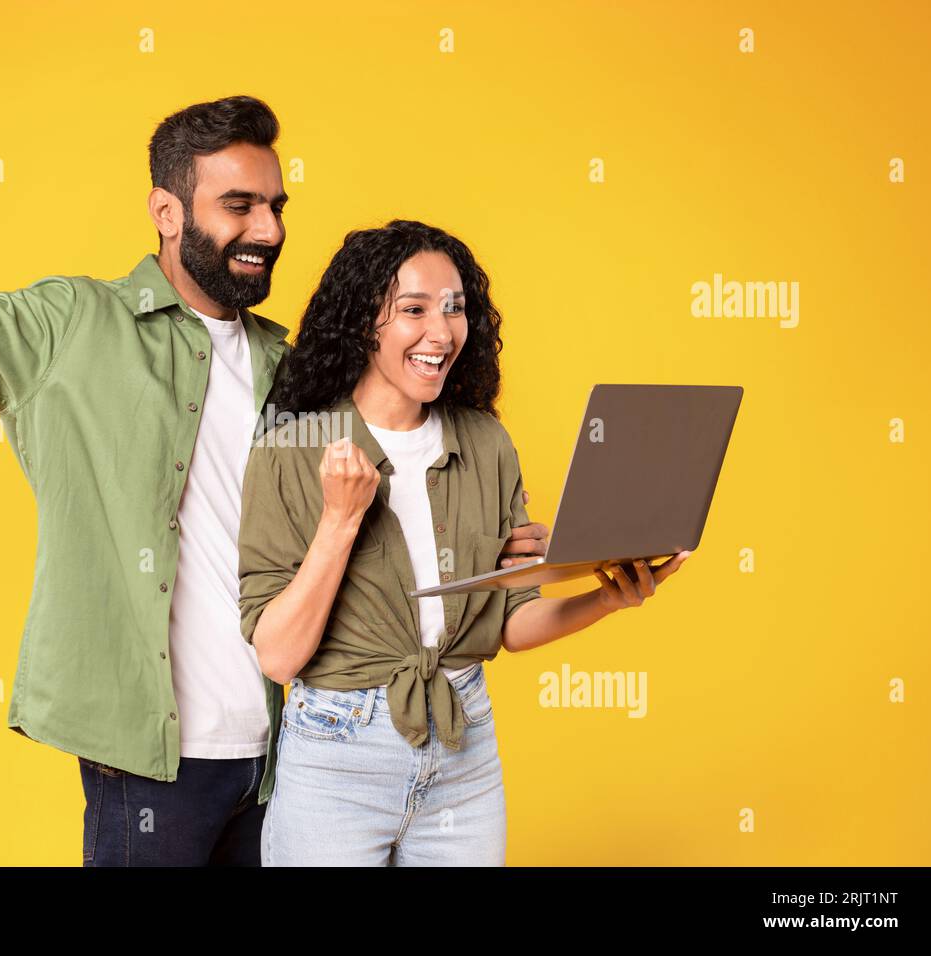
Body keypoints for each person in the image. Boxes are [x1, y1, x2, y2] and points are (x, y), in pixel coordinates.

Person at [0, 30, 551, 866]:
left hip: (290, 755)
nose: (268, 228)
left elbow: (389, 498)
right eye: (239, 205)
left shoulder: (296, 367)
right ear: (167, 213)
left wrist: (500, 557)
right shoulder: (69, 329)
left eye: (276, 206)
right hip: (151, 763)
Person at [237, 220, 690, 866]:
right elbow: (279, 657)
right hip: (339, 755)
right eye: (414, 310)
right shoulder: (289, 451)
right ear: (363, 323)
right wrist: (339, 522)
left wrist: (608, 597)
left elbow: (512, 624)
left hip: (464, 744)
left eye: (454, 308)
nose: (442, 332)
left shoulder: (485, 444)